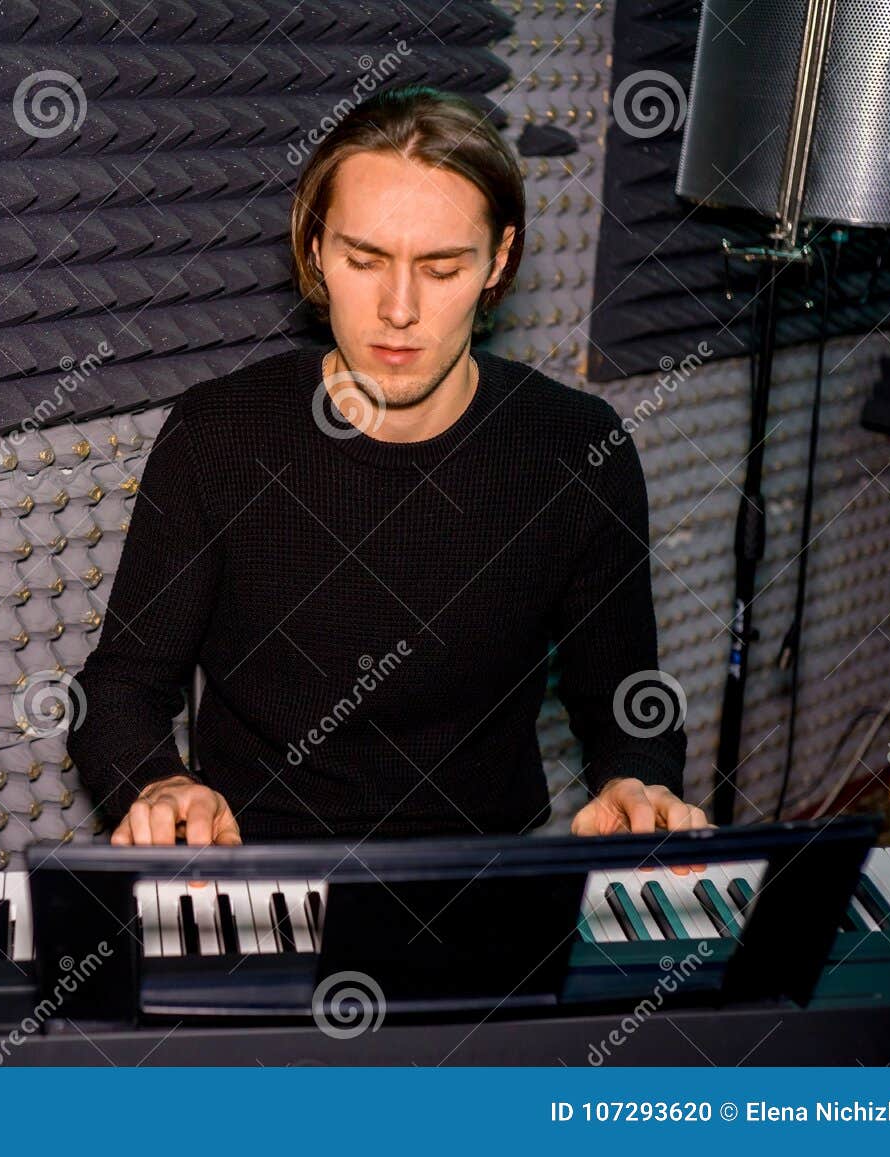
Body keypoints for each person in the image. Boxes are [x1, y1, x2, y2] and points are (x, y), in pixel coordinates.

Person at [65, 84, 705, 850]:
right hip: (256, 865)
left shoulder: (578, 450)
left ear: (499, 259)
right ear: (315, 250)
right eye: (365, 259)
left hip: (482, 872)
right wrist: (158, 782)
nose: (399, 310)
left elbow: (625, 698)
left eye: (441, 269)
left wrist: (636, 776)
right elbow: (120, 687)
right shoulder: (219, 436)